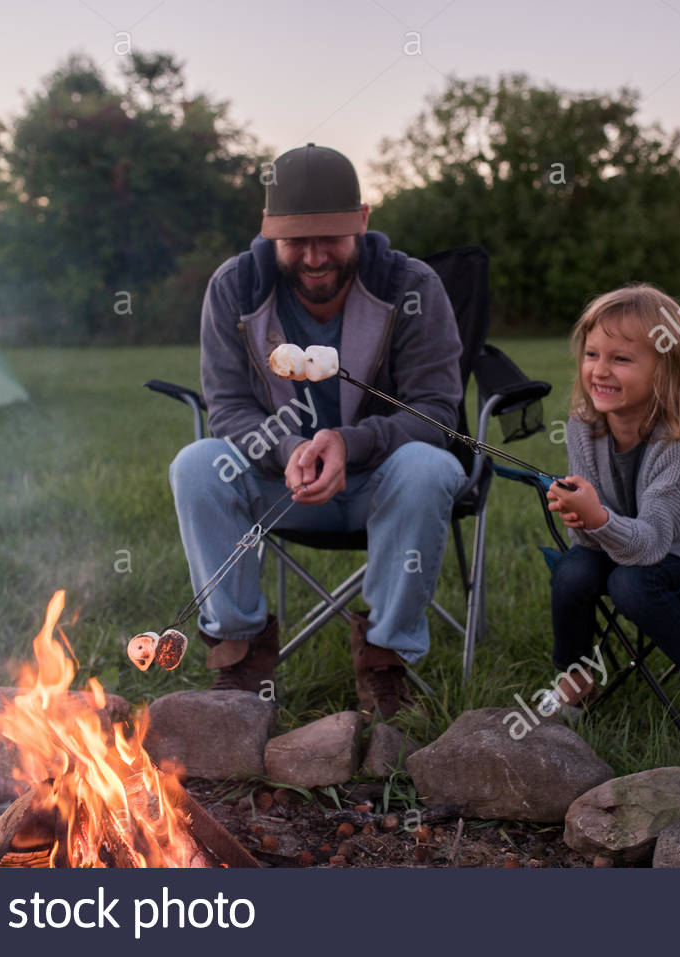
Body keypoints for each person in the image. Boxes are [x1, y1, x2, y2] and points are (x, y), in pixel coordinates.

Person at [169, 143, 467, 718]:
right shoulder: (235, 288)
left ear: (362, 220)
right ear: (267, 232)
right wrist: (289, 448)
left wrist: (350, 442)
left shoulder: (412, 286)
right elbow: (227, 408)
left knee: (430, 466)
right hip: (279, 486)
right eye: (295, 241)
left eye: (328, 237)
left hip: (384, 486)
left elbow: (436, 413)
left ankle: (384, 662)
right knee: (197, 463)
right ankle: (240, 659)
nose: (312, 257)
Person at [543, 284, 680, 775]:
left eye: (621, 359)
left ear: (664, 368)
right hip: (628, 541)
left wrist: (598, 517)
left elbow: (650, 544)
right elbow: (593, 542)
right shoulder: (584, 426)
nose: (600, 370)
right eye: (592, 354)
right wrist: (581, 516)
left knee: (630, 582)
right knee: (574, 569)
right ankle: (577, 678)